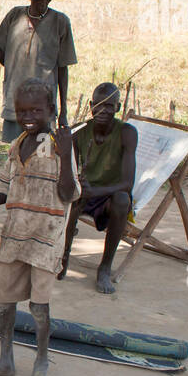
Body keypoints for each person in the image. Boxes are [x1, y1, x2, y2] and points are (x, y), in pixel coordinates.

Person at [0, 80, 79, 376]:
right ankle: (6, 360)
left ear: (51, 110)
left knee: (40, 307)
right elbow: (5, 190)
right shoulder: (16, 146)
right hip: (14, 236)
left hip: (45, 239)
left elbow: (69, 193)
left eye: (36, 110)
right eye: (21, 110)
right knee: (5, 302)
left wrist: (67, 155)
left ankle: (41, 362)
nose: (28, 116)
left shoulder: (60, 146)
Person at [0, 0, 77, 139]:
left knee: (41, 155)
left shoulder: (60, 22)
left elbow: (62, 69)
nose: (41, 2)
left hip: (43, 106)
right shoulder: (15, 16)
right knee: (14, 153)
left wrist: (64, 111)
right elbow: (5, 59)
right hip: (15, 103)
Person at [60, 82, 136, 294]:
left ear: (118, 108)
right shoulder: (80, 133)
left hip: (109, 195)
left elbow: (128, 183)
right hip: (84, 192)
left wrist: (95, 191)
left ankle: (105, 267)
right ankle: (63, 255)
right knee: (71, 195)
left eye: (109, 106)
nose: (103, 111)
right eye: (99, 106)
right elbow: (68, 172)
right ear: (91, 106)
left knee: (123, 200)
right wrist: (79, 185)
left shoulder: (127, 133)